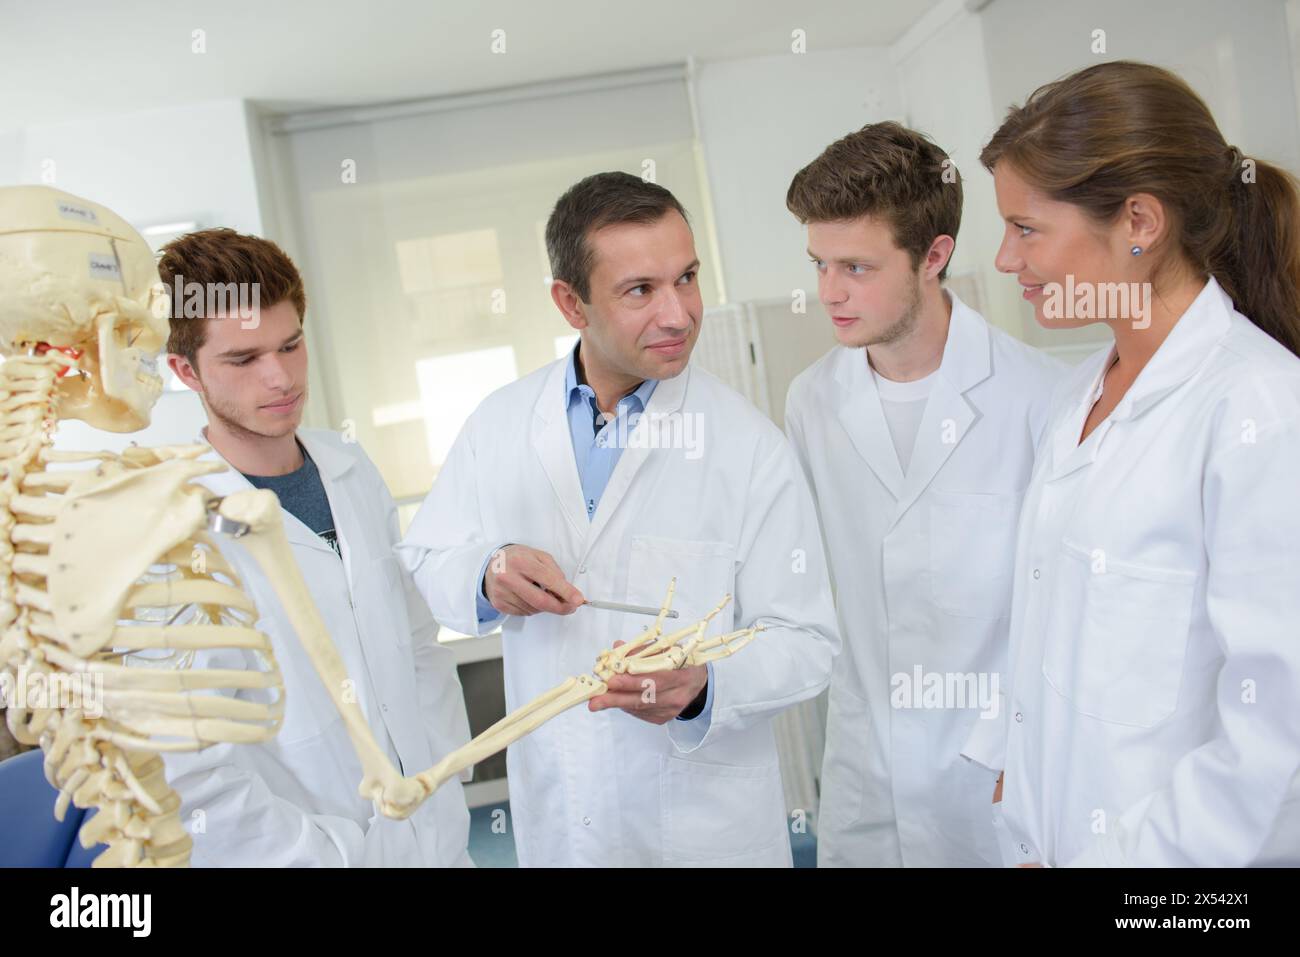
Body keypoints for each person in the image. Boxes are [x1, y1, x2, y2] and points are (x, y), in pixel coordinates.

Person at [397, 172, 840, 867]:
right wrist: (487, 574)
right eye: (641, 290)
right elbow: (426, 556)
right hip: (564, 821)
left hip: (705, 831)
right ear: (570, 303)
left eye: (687, 277)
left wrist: (705, 686)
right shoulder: (501, 425)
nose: (679, 313)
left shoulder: (749, 447)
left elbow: (808, 639)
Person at [970, 59, 1300, 866]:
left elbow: (1279, 735)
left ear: (1139, 223)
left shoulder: (1259, 411)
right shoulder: (1082, 395)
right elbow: (1054, 628)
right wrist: (1023, 777)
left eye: (1026, 228)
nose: (1006, 261)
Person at [783, 122, 1065, 867]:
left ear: (934, 256)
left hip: (993, 772)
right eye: (819, 264)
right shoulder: (811, 401)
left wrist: (1016, 747)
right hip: (863, 777)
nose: (829, 293)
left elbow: (1060, 608)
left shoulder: (1042, 398)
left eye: (856, 267)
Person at [159, 228, 474, 866]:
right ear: (185, 371)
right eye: (243, 360)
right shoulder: (172, 528)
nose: (281, 377)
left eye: (291, 344)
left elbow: (415, 643)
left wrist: (442, 780)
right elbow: (190, 765)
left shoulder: (348, 465)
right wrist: (326, 856)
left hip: (434, 838)